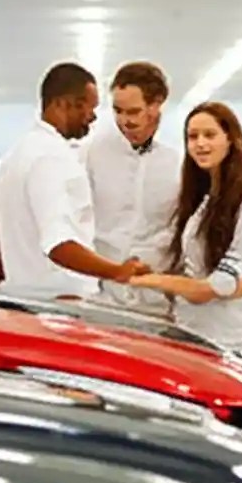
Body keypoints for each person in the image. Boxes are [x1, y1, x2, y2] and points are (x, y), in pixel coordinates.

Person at [129, 102, 242, 357]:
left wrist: (147, 280)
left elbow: (211, 289)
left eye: (209, 135)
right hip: (195, 334)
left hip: (231, 345)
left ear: (231, 140)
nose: (200, 144)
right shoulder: (205, 198)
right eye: (192, 136)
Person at [0, 63, 149, 297]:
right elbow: (59, 244)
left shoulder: (13, 158)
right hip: (59, 302)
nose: (93, 117)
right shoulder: (51, 159)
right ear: (62, 104)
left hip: (22, 298)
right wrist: (117, 270)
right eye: (87, 107)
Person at [80, 61, 181, 313]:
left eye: (134, 112)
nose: (125, 121)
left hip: (157, 301)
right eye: (118, 111)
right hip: (104, 299)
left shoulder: (177, 160)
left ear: (156, 104)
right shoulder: (93, 153)